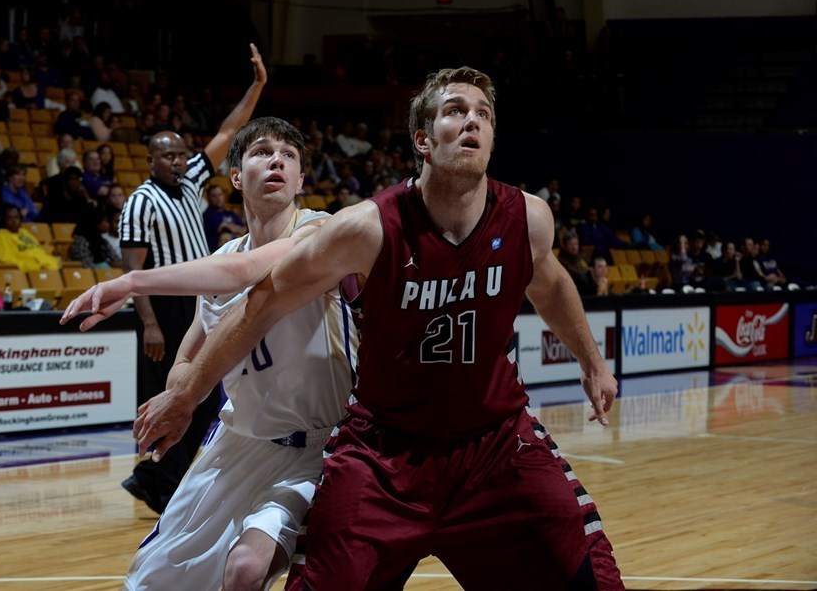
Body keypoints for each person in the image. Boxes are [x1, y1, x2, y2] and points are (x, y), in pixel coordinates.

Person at [134, 67, 623, 590]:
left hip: (496, 445)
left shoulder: (528, 218)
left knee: (590, 579)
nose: (471, 122)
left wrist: (592, 362)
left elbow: (548, 284)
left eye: (483, 114)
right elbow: (262, 301)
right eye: (455, 111)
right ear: (423, 140)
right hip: (384, 452)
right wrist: (188, 394)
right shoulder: (365, 228)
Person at [61, 117, 356, 591]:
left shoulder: (320, 230)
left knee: (245, 570)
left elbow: (246, 271)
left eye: (288, 155)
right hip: (237, 442)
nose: (276, 159)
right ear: (236, 175)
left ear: (301, 180)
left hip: (316, 446)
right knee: (151, 580)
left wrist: (133, 280)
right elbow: (186, 358)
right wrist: (178, 402)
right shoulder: (224, 255)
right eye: (262, 151)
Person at [115, 43, 267, 513]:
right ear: (150, 161)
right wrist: (151, 324)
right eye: (168, 157)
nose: (178, 162)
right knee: (178, 392)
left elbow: (229, 129)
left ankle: (155, 476)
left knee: (204, 393)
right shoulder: (140, 202)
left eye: (181, 155)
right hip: (163, 305)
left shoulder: (190, 184)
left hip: (198, 299)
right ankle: (158, 478)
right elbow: (133, 269)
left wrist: (258, 85)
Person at [0, 204, 61, 271]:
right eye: (9, 218)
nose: (14, 221)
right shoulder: (0, 236)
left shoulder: (23, 232)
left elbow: (37, 247)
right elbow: (5, 260)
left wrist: (50, 251)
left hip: (49, 266)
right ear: (3, 220)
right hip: (31, 271)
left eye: (16, 217)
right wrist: (32, 265)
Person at [202, 183, 247, 251]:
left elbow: (243, 230)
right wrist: (234, 229)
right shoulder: (207, 214)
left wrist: (227, 226)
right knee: (225, 237)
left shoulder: (229, 213)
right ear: (208, 198)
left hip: (235, 247)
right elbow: (221, 229)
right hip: (215, 251)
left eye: (220, 194)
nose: (218, 198)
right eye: (214, 196)